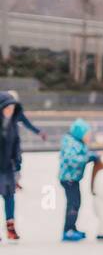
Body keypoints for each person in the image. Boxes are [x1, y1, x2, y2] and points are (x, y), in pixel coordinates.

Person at [57, 118, 98, 242]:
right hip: (68, 179)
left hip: (73, 179)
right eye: (87, 134)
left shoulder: (77, 142)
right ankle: (67, 231)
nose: (89, 137)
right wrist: (89, 157)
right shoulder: (71, 143)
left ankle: (72, 228)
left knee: (76, 203)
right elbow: (72, 159)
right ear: (80, 133)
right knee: (73, 204)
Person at [6, 91, 47, 190]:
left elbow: (27, 123)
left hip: (14, 143)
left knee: (17, 161)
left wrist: (39, 132)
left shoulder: (17, 112)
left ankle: (15, 181)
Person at [0, 95, 21, 241]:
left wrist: (18, 164)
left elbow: (16, 146)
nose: (10, 111)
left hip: (8, 168)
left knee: (9, 197)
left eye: (12, 108)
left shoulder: (13, 125)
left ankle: (10, 227)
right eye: (7, 108)